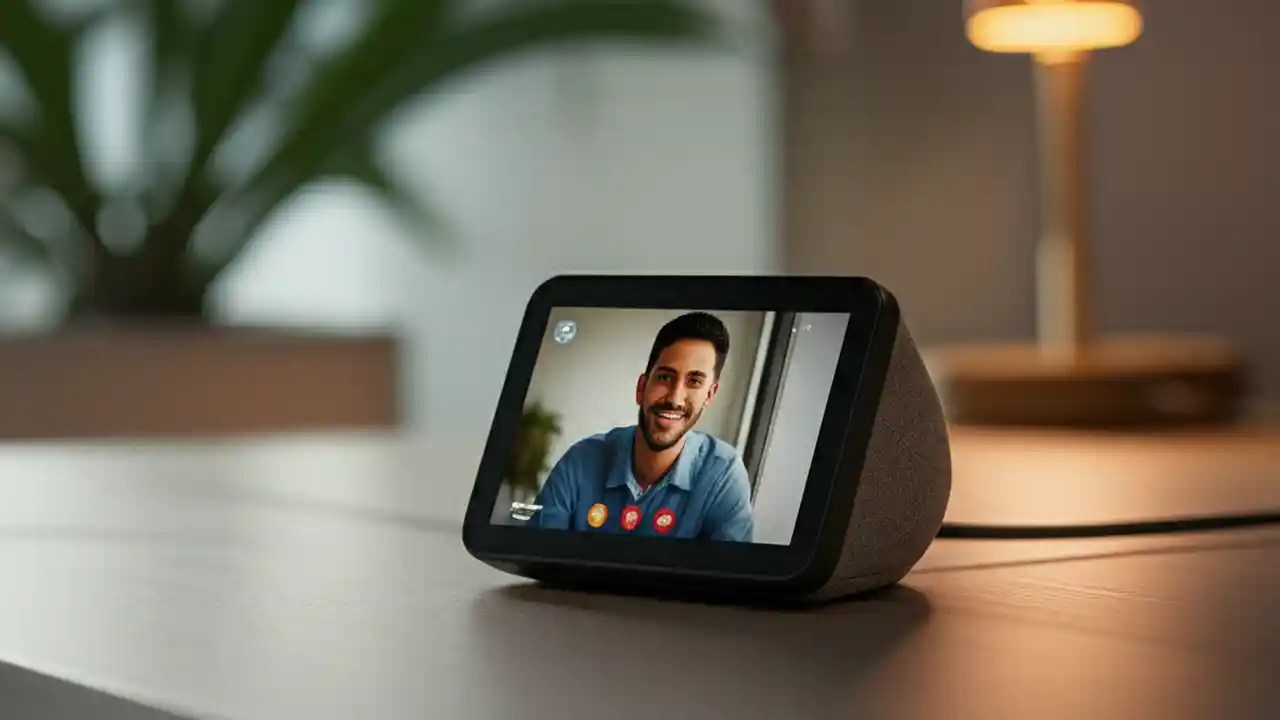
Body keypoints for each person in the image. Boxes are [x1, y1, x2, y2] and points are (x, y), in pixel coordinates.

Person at [527, 312, 754, 542]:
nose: (675, 399)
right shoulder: (580, 461)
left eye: (694, 382)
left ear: (709, 394)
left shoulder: (723, 475)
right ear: (641, 388)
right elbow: (536, 557)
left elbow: (727, 575)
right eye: (665, 377)